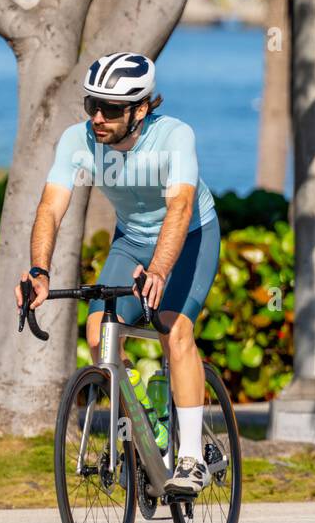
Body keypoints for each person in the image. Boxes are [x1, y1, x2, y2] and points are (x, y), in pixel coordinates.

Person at [15, 51, 220, 498]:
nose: (98, 119)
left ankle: (190, 458)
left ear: (141, 109)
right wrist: (39, 271)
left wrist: (161, 270)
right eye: (92, 105)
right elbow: (51, 207)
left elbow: (180, 207)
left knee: (173, 329)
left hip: (188, 236)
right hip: (131, 240)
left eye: (110, 109)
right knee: (97, 334)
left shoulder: (174, 137)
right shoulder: (78, 141)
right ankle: (144, 423)